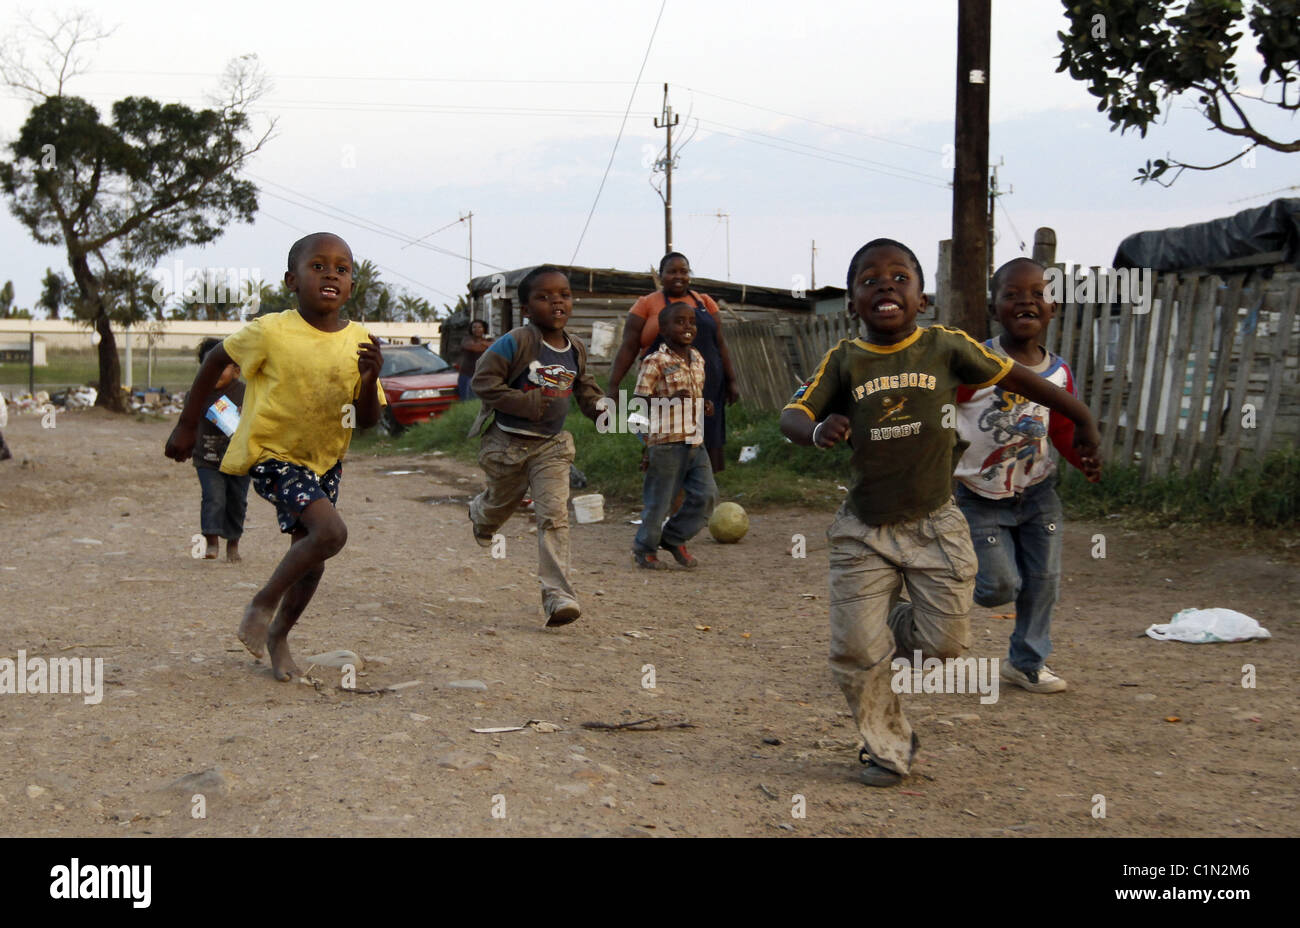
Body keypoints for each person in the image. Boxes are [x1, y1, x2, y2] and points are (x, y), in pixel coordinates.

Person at [779, 238, 1101, 787]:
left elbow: (1028, 382)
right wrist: (814, 430)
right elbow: (793, 414)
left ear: (922, 298)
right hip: (864, 529)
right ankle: (887, 746)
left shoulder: (947, 347)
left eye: (900, 277)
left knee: (945, 644)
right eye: (870, 280)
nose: (886, 286)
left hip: (936, 524)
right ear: (852, 302)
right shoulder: (845, 360)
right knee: (855, 650)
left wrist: (1085, 421)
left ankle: (893, 626)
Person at [164, 232, 385, 681]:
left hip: (325, 460)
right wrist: (187, 424)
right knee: (331, 532)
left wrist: (367, 378)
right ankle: (262, 603)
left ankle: (279, 635)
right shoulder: (270, 331)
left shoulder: (361, 340)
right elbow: (213, 361)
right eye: (318, 266)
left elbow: (366, 422)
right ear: (291, 279)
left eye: (342, 269)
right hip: (273, 454)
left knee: (313, 552)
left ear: (351, 285)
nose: (331, 274)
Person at [955, 257, 1102, 694]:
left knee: (1044, 581)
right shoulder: (975, 362)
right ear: (994, 305)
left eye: (1038, 293)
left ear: (1053, 306)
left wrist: (1082, 458)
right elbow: (946, 406)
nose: (1026, 301)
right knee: (1000, 586)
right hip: (979, 494)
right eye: (1012, 294)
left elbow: (1060, 427)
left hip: (1038, 492)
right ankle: (949, 579)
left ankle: (1026, 662)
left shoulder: (1059, 372)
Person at [466, 265, 604, 627]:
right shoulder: (516, 342)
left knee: (554, 517)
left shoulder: (575, 348)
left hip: (552, 448)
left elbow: (585, 389)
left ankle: (558, 596)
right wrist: (525, 403)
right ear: (526, 308)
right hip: (507, 445)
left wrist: (604, 412)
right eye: (543, 297)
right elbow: (483, 382)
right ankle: (481, 515)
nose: (556, 302)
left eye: (563, 295)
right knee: (500, 505)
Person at [607, 252, 739, 472]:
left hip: (706, 384)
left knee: (708, 435)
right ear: (661, 275)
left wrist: (731, 379)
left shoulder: (704, 301)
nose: (679, 276)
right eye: (672, 271)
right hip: (666, 388)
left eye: (684, 271)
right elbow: (628, 346)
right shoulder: (646, 304)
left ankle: (703, 491)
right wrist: (613, 386)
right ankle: (666, 490)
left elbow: (720, 343)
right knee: (668, 437)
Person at [631, 302, 718, 569]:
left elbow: (694, 396)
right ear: (664, 329)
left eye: (691, 321)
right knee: (660, 501)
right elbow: (638, 403)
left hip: (695, 440)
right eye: (679, 322)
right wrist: (667, 401)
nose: (688, 326)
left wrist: (704, 404)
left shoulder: (698, 359)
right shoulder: (655, 361)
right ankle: (645, 549)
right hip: (666, 443)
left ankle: (673, 537)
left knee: (707, 496)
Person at [191, 337, 250, 561]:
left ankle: (233, 544)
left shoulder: (245, 393)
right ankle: (212, 542)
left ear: (236, 370)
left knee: (237, 501)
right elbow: (187, 423)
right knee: (213, 498)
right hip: (207, 459)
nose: (213, 372)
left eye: (220, 367)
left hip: (239, 460)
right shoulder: (197, 393)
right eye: (208, 366)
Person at [457, 319, 492, 399]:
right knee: (467, 401)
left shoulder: (489, 340)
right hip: (467, 375)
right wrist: (485, 345)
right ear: (471, 329)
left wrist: (482, 343)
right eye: (474, 327)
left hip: (482, 375)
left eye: (480, 327)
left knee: (481, 402)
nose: (477, 329)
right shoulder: (466, 340)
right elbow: (474, 348)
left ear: (484, 329)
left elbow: (494, 345)